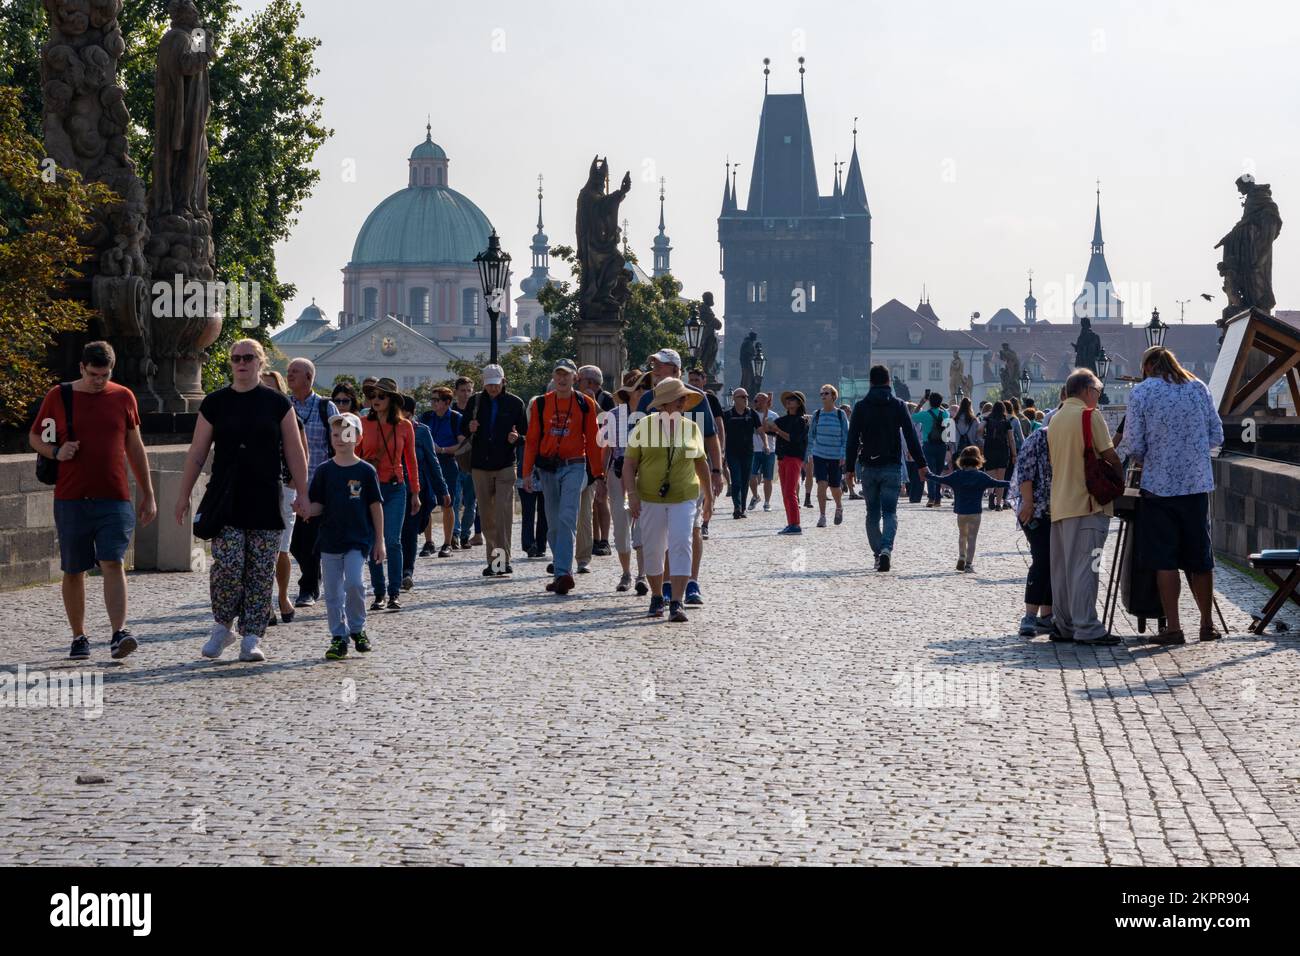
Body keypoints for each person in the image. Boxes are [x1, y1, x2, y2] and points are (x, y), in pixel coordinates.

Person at [177, 339, 308, 663]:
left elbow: (295, 452)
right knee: (228, 566)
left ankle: (252, 636)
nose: (241, 363)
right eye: (236, 358)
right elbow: (197, 454)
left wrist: (304, 493)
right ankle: (223, 625)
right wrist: (182, 496)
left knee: (261, 571)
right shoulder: (215, 403)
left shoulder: (278, 404)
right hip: (226, 497)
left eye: (248, 357)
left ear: (260, 362)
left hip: (265, 496)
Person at [30, 340, 156, 661]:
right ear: (82, 368)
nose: (99, 381)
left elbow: (135, 446)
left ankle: (119, 633)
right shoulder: (59, 396)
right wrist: (57, 451)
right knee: (74, 569)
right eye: (93, 374)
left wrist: (148, 494)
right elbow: (35, 437)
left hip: (114, 498)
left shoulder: (123, 396)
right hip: (71, 497)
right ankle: (79, 636)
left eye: (105, 374)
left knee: (113, 562)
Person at [1121, 346, 1225, 645]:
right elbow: (1217, 435)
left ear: (1148, 366)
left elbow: (1135, 444)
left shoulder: (1143, 392)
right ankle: (1207, 626)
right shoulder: (1198, 387)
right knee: (1200, 559)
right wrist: (1193, 453)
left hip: (1159, 487)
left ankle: (1174, 628)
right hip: (1196, 485)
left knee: (1164, 559)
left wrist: (1153, 456)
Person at [636, 349, 724, 607]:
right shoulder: (647, 400)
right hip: (657, 479)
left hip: (690, 474)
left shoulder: (696, 398)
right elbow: (636, 441)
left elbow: (710, 436)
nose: (655, 371)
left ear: (676, 370)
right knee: (662, 533)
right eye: (653, 366)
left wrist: (716, 471)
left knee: (690, 529)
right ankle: (665, 584)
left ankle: (691, 583)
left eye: (660, 367)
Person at [1046, 369, 1124, 646]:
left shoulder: (1055, 419)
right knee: (1087, 567)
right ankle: (1087, 626)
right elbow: (1108, 453)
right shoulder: (1089, 415)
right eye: (1098, 391)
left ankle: (1065, 625)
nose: (1098, 396)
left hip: (1060, 502)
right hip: (1087, 502)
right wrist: (1120, 472)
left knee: (1063, 571)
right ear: (1087, 390)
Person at [625, 378, 712, 622]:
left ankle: (677, 601)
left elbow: (700, 462)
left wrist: (710, 498)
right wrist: (631, 495)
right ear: (665, 403)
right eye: (680, 398)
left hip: (684, 496)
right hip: (650, 497)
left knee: (681, 543)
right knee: (653, 547)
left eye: (685, 398)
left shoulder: (691, 427)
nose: (685, 402)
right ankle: (656, 596)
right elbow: (630, 463)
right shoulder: (644, 427)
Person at [523, 359, 605, 595]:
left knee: (568, 518)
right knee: (553, 524)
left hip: (574, 466)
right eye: (558, 374)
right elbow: (531, 441)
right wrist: (527, 472)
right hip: (548, 468)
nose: (562, 379)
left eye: (566, 375)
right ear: (553, 377)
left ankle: (563, 573)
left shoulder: (585, 404)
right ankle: (562, 570)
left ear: (574, 378)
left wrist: (598, 474)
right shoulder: (540, 404)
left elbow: (593, 440)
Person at [305, 412, 384, 660]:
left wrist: (379, 540)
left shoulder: (366, 471)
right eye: (336, 434)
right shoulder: (324, 471)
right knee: (333, 592)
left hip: (357, 540)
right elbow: (318, 505)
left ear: (358, 437)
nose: (340, 438)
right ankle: (338, 636)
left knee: (355, 583)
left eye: (347, 433)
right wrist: (306, 509)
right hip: (329, 540)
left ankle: (358, 629)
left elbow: (375, 506)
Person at [845, 365, 929, 572]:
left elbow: (852, 440)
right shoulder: (898, 405)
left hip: (869, 466)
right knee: (890, 512)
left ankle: (877, 554)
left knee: (872, 514)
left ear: (871, 382)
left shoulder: (861, 406)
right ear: (889, 381)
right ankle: (886, 550)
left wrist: (849, 468)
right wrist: (921, 464)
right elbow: (910, 436)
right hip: (892, 465)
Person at [358, 378, 420, 611]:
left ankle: (394, 592)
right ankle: (379, 593)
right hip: (369, 489)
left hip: (395, 488)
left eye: (381, 396)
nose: (375, 400)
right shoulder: (362, 423)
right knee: (374, 541)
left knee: (392, 540)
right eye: (372, 396)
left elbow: (411, 461)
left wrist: (416, 492)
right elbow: (352, 455)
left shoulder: (404, 427)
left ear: (392, 400)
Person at [462, 363, 528, 577]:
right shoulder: (475, 401)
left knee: (503, 514)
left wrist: (517, 439)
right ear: (483, 383)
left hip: (505, 465)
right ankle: (493, 561)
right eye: (489, 384)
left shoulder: (515, 403)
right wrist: (469, 428)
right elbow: (462, 428)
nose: (493, 388)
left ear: (503, 381)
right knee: (488, 516)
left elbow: (526, 434)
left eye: (496, 384)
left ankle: (502, 561)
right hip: (480, 466)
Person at [285, 358, 339, 609]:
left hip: (321, 483)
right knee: (294, 539)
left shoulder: (326, 407)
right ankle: (312, 576)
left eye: (295, 372)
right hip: (292, 483)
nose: (289, 375)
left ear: (309, 377)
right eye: (288, 372)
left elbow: (343, 442)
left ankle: (308, 588)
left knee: (312, 535)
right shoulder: (284, 406)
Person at [260, 368, 307, 626]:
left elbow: (302, 454)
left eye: (270, 387)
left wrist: (298, 488)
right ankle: (264, 601)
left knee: (281, 549)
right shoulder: (250, 418)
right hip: (258, 489)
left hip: (285, 488)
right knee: (261, 550)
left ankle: (282, 595)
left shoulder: (291, 418)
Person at [1010, 422, 1057, 639]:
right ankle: (1029, 615)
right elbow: (1025, 473)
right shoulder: (1038, 438)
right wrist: (1028, 502)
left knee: (1052, 561)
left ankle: (1047, 616)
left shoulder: (1070, 435)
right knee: (1043, 560)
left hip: (1058, 510)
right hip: (1036, 511)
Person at [606, 371, 649, 593]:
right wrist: (600, 479)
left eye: (644, 389)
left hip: (645, 474)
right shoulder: (613, 416)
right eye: (638, 389)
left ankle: (642, 575)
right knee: (621, 525)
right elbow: (606, 450)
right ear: (628, 392)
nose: (642, 393)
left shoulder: (652, 416)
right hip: (618, 474)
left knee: (641, 525)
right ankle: (626, 573)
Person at [935, 446, 1009, 574]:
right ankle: (968, 564)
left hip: (961, 512)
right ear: (978, 459)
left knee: (962, 535)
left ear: (962, 459)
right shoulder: (981, 476)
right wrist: (1015, 482)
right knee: (972, 538)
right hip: (975, 512)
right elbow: (999, 483)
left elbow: (940, 479)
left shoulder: (957, 475)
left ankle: (961, 557)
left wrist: (927, 474)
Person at [400, 394, 449, 588]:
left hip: (417, 488)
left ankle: (407, 571)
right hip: (392, 487)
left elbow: (432, 461)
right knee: (399, 533)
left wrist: (442, 489)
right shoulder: (386, 429)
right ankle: (401, 572)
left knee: (411, 530)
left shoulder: (421, 431)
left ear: (409, 413)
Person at [577, 365, 616, 558]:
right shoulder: (577, 398)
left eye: (580, 380)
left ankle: (605, 540)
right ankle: (593, 539)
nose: (578, 383)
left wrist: (594, 403)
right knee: (590, 501)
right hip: (585, 454)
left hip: (604, 453)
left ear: (591, 383)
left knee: (602, 499)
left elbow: (611, 421)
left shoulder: (607, 398)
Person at [420, 387, 463, 557]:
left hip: (447, 462)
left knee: (448, 502)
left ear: (447, 402)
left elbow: (462, 444)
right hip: (427, 464)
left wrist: (443, 450)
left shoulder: (455, 418)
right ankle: (429, 542)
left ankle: (447, 543)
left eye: (436, 400)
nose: (433, 403)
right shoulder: (426, 417)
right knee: (426, 502)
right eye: (432, 399)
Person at [688, 367, 726, 539]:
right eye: (691, 380)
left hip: (705, 449)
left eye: (696, 380)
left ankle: (705, 523)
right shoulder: (685, 396)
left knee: (707, 485)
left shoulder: (709, 399)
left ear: (704, 381)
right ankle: (694, 520)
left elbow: (718, 426)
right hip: (689, 449)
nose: (693, 383)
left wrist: (720, 450)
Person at [768, 390, 810, 535]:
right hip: (782, 458)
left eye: (792, 399)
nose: (789, 401)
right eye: (788, 399)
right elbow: (766, 427)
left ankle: (795, 524)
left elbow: (794, 439)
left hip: (793, 458)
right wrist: (766, 408)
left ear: (799, 403)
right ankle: (791, 523)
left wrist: (778, 431)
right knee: (785, 493)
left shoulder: (801, 421)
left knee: (790, 491)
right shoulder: (783, 420)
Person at [808, 384, 849, 527]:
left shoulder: (840, 414)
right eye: (822, 394)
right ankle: (822, 516)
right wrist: (809, 453)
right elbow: (811, 435)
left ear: (833, 396)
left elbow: (846, 436)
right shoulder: (817, 414)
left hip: (835, 456)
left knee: (834, 486)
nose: (823, 396)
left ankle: (839, 507)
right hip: (819, 454)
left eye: (826, 393)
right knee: (821, 484)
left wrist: (843, 454)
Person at [722, 388, 761, 519]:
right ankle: (736, 508)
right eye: (742, 397)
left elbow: (760, 430)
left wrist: (766, 444)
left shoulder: (752, 414)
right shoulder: (727, 415)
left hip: (748, 452)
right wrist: (722, 451)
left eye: (746, 396)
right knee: (737, 480)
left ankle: (743, 508)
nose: (745, 399)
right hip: (732, 452)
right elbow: (722, 434)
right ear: (734, 399)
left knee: (745, 481)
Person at [451, 376, 481, 550]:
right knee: (455, 500)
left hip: (472, 461)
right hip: (455, 460)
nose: (466, 394)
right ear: (456, 392)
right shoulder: (453, 412)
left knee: (471, 501)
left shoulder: (476, 411)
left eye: (469, 390)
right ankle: (454, 534)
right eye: (462, 390)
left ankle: (465, 535)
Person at [515, 416, 548, 559]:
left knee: (544, 514)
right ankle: (529, 545)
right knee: (528, 514)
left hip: (545, 479)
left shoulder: (549, 434)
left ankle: (541, 545)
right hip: (526, 478)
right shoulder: (523, 434)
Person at [913, 392, 950, 508]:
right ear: (940, 402)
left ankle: (931, 498)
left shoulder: (925, 414)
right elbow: (949, 433)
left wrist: (921, 403)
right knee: (939, 472)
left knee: (929, 471)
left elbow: (913, 417)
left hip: (928, 445)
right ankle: (938, 499)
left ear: (929, 402)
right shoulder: (945, 414)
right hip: (942, 445)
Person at [982, 401, 1016, 510]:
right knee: (1001, 478)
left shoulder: (987, 419)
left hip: (989, 450)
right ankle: (998, 504)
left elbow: (979, 428)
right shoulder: (1006, 422)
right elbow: (1011, 439)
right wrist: (1014, 454)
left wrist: (983, 437)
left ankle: (991, 493)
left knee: (991, 476)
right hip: (1003, 451)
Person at [748, 391, 779, 512]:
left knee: (767, 478)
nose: (754, 403)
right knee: (751, 475)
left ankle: (767, 502)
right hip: (753, 449)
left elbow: (777, 432)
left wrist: (769, 428)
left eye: (756, 401)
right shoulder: (750, 414)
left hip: (769, 450)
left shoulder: (773, 415)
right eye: (754, 400)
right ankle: (756, 496)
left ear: (765, 402)